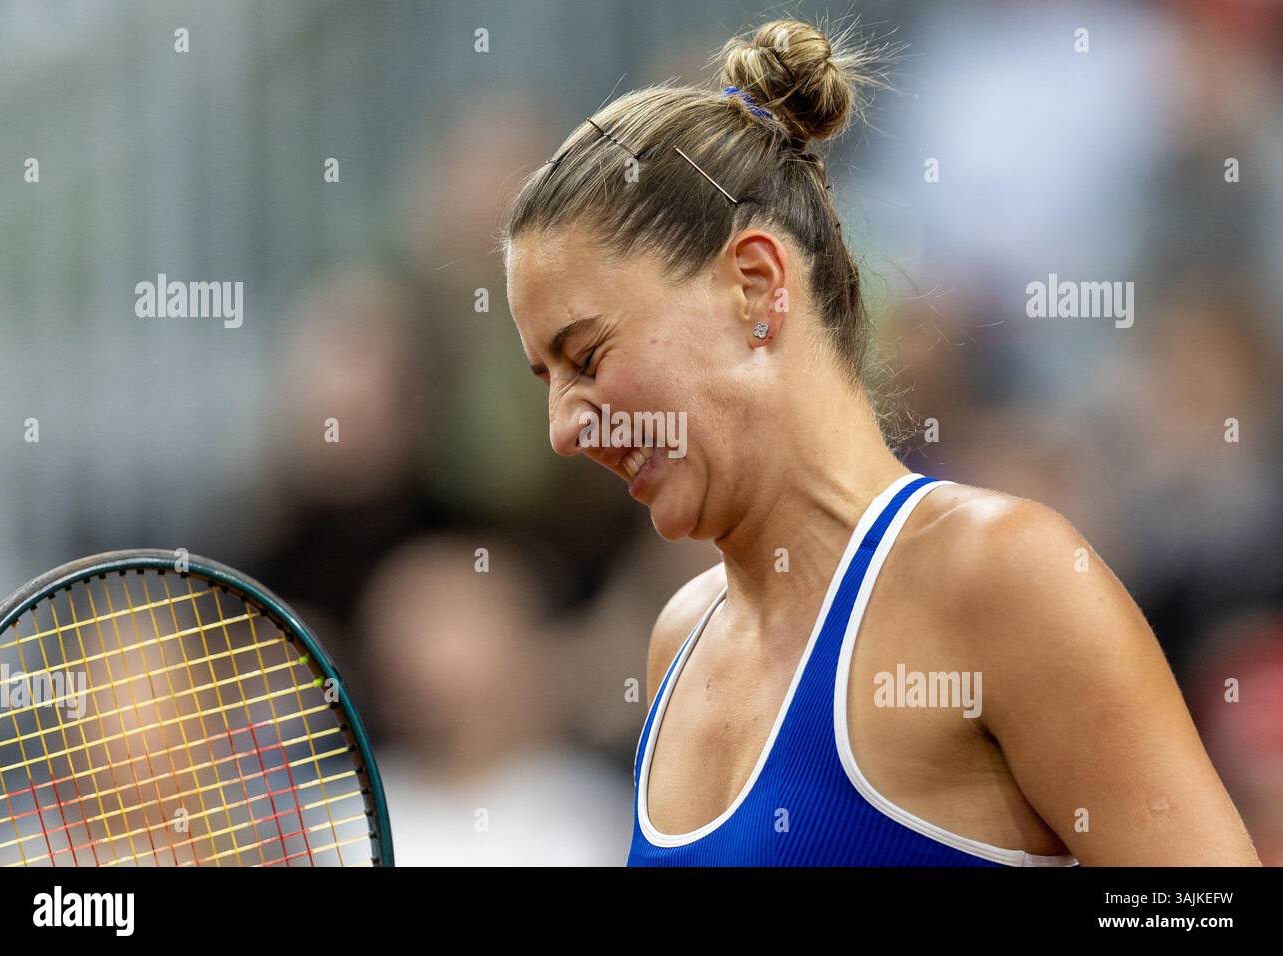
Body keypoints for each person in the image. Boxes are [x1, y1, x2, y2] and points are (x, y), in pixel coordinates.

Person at [500, 18, 1261, 866]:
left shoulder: (1002, 576)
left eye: (588, 357)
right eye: (548, 380)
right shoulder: (679, 639)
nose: (567, 428)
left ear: (755, 288)